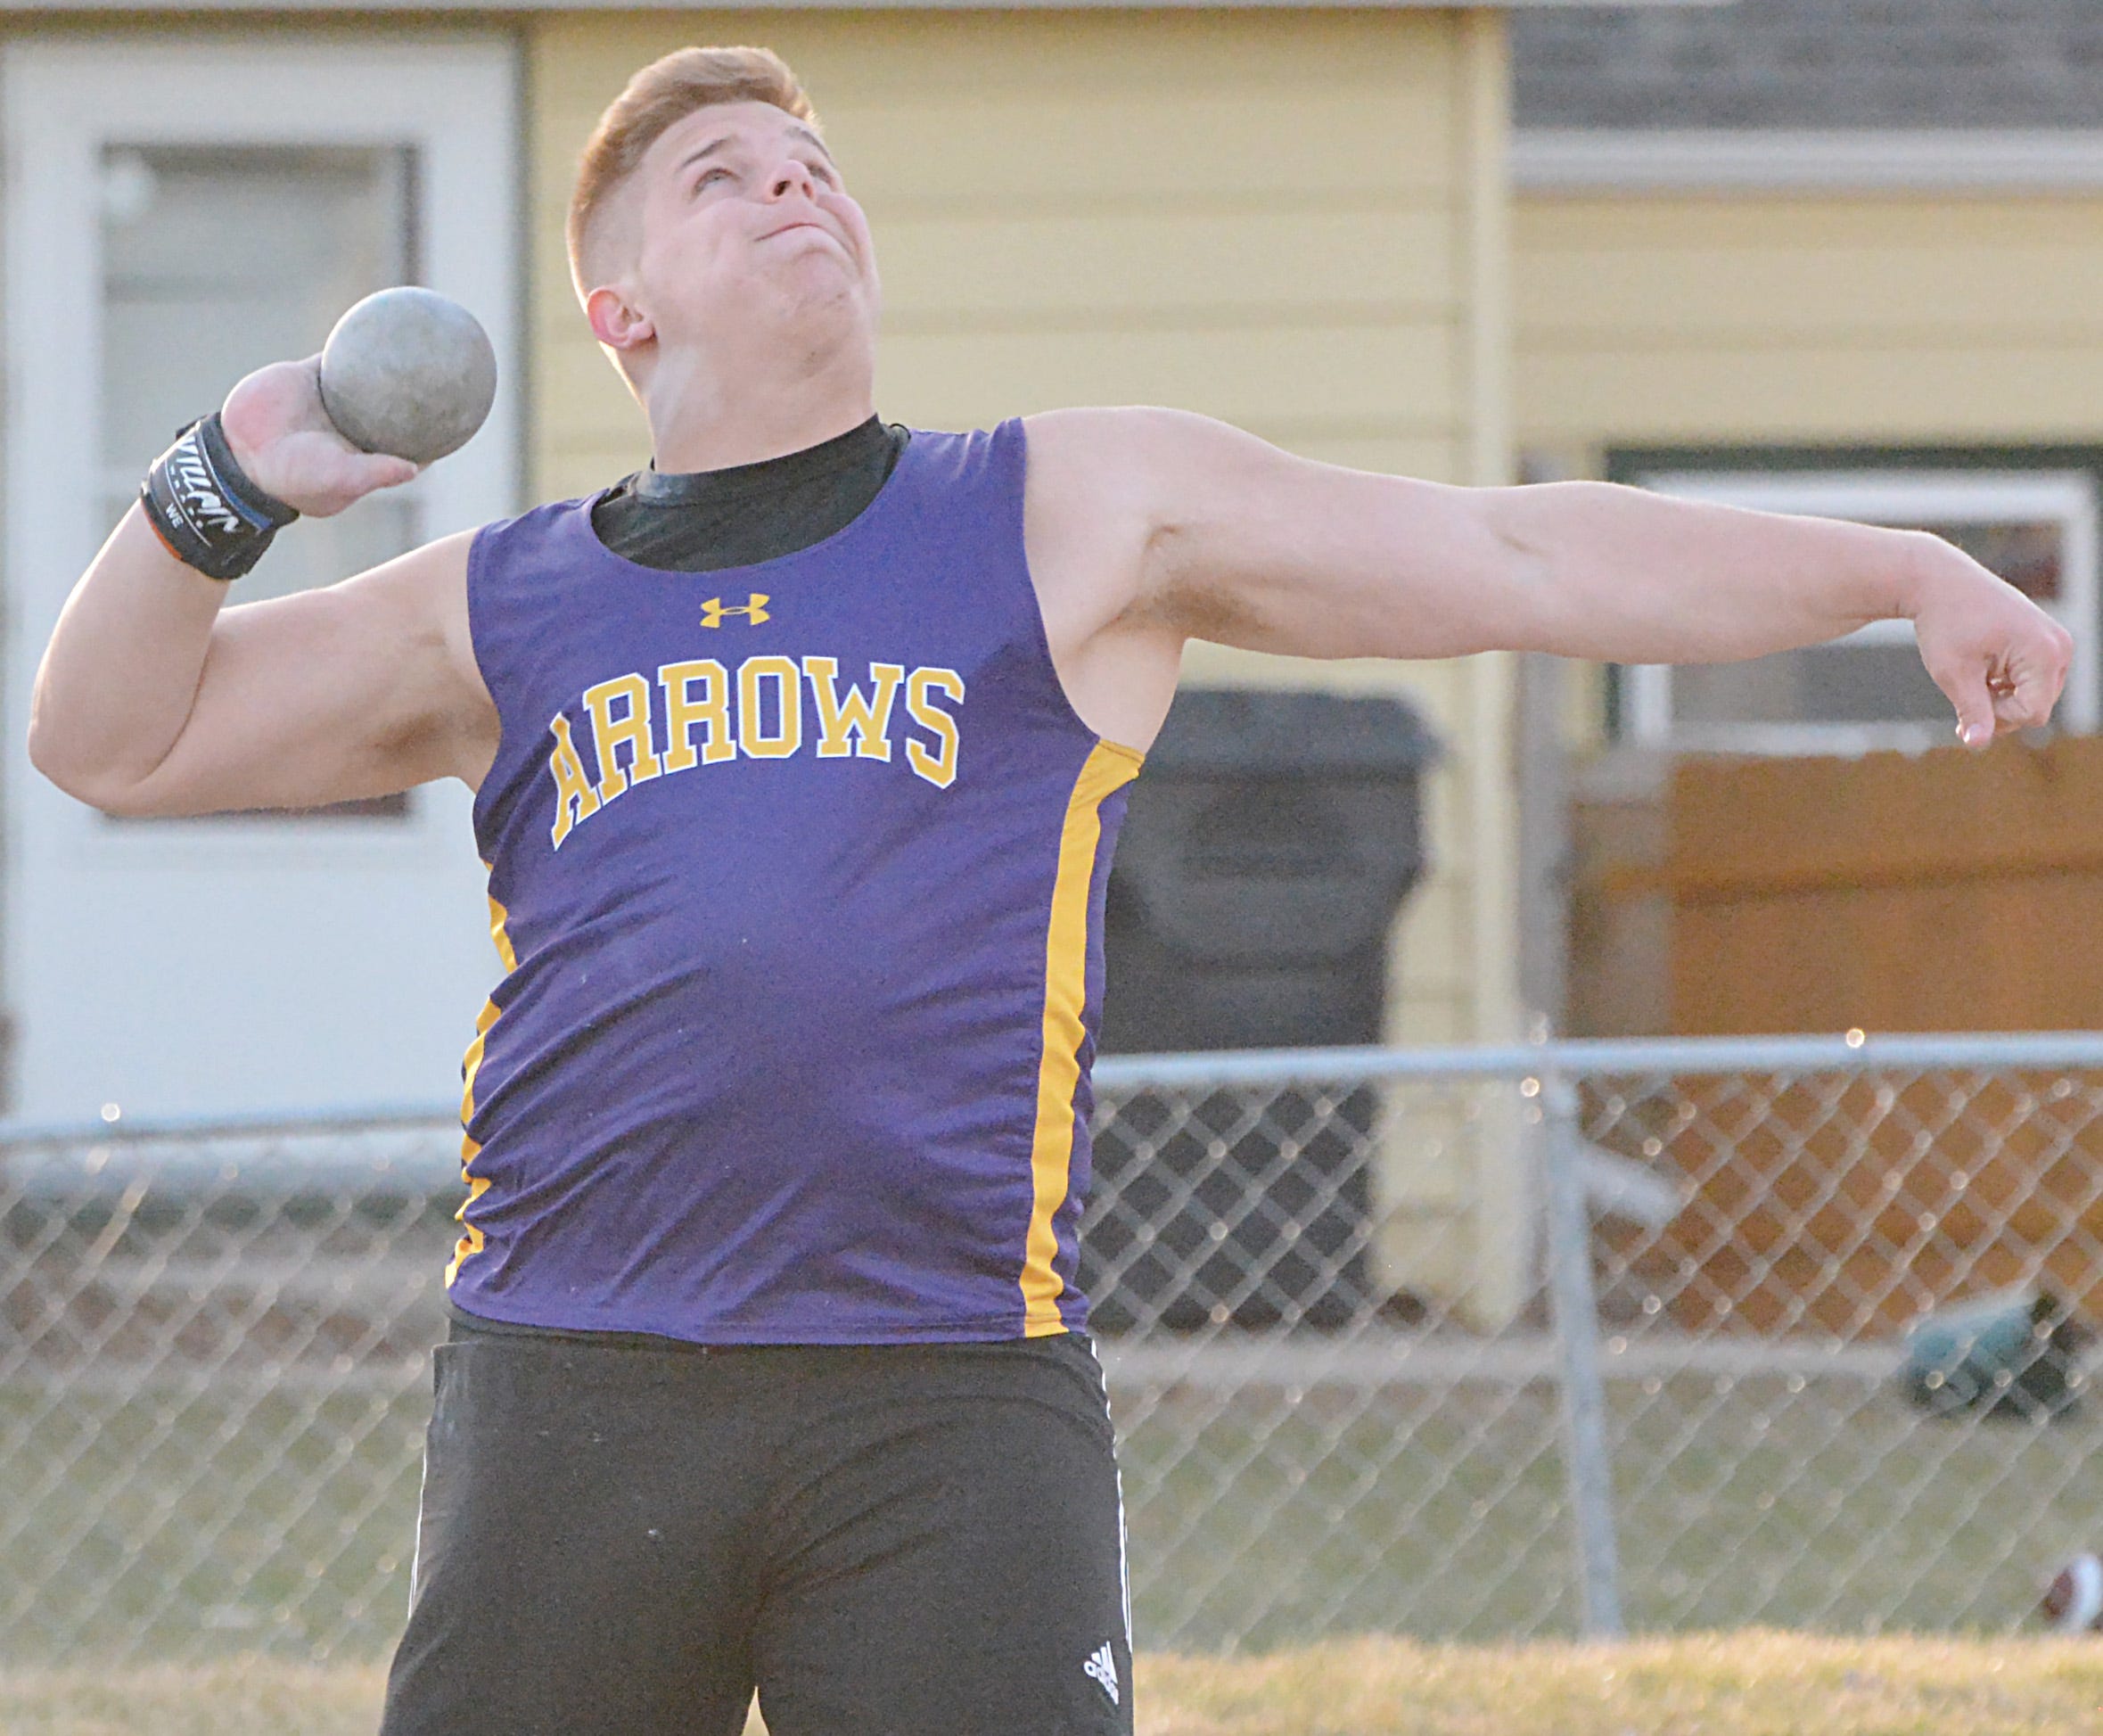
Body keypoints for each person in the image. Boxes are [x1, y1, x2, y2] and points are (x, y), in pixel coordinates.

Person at [27, 44, 2068, 1736]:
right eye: (724, 175)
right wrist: (220, 480)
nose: (795, 189)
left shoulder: (1063, 509)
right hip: (575, 1375)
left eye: (818, 166)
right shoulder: (505, 601)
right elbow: (107, 738)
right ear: (618, 304)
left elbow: (1513, 556)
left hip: (947, 1396)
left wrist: (1888, 569)